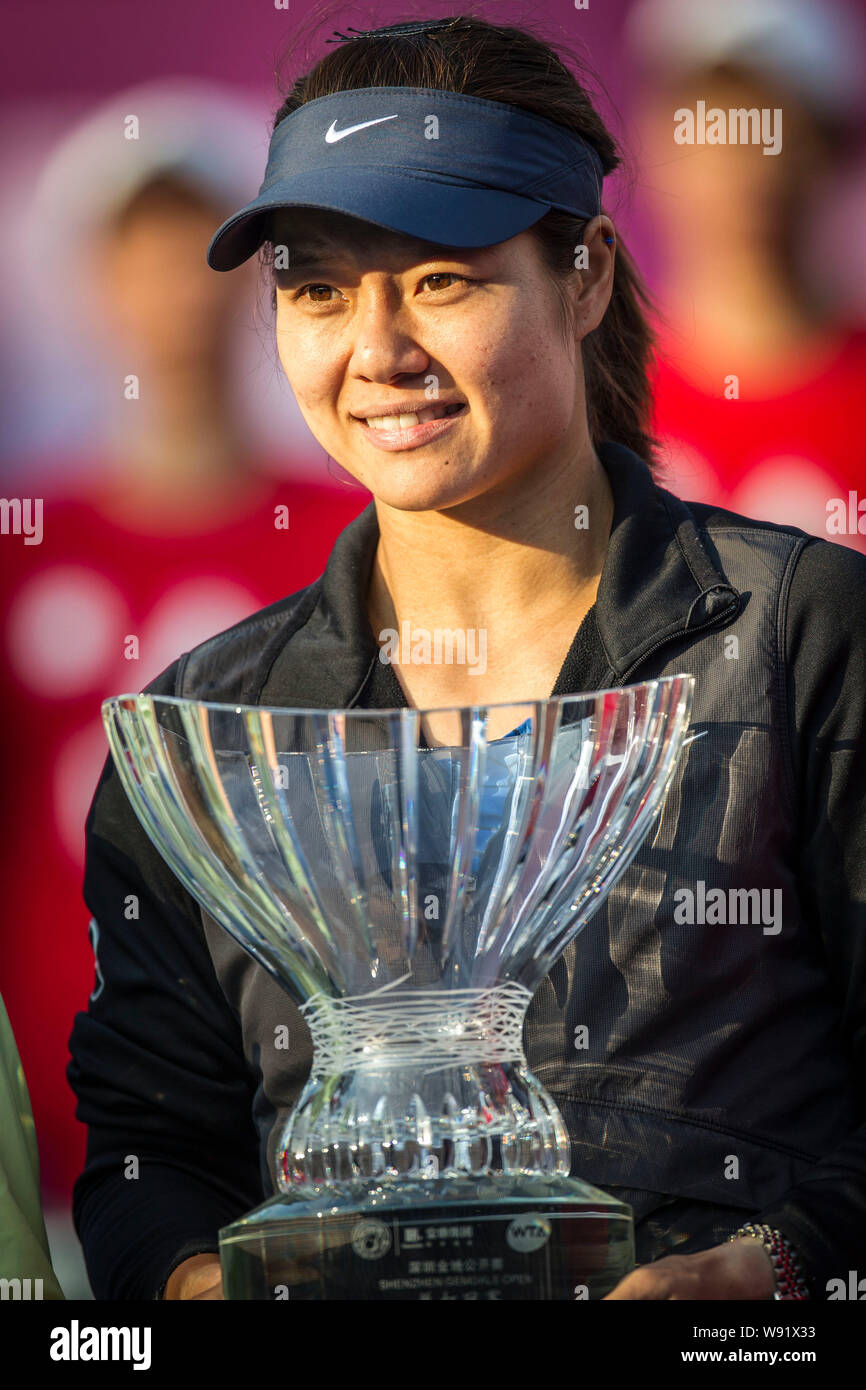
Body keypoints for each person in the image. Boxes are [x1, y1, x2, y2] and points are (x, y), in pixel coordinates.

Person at [67, 14, 866, 1301]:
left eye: (440, 277)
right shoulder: (202, 733)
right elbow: (153, 1154)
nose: (376, 352)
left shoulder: (801, 632)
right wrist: (206, 1294)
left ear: (588, 274)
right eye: (318, 286)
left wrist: (769, 1273)